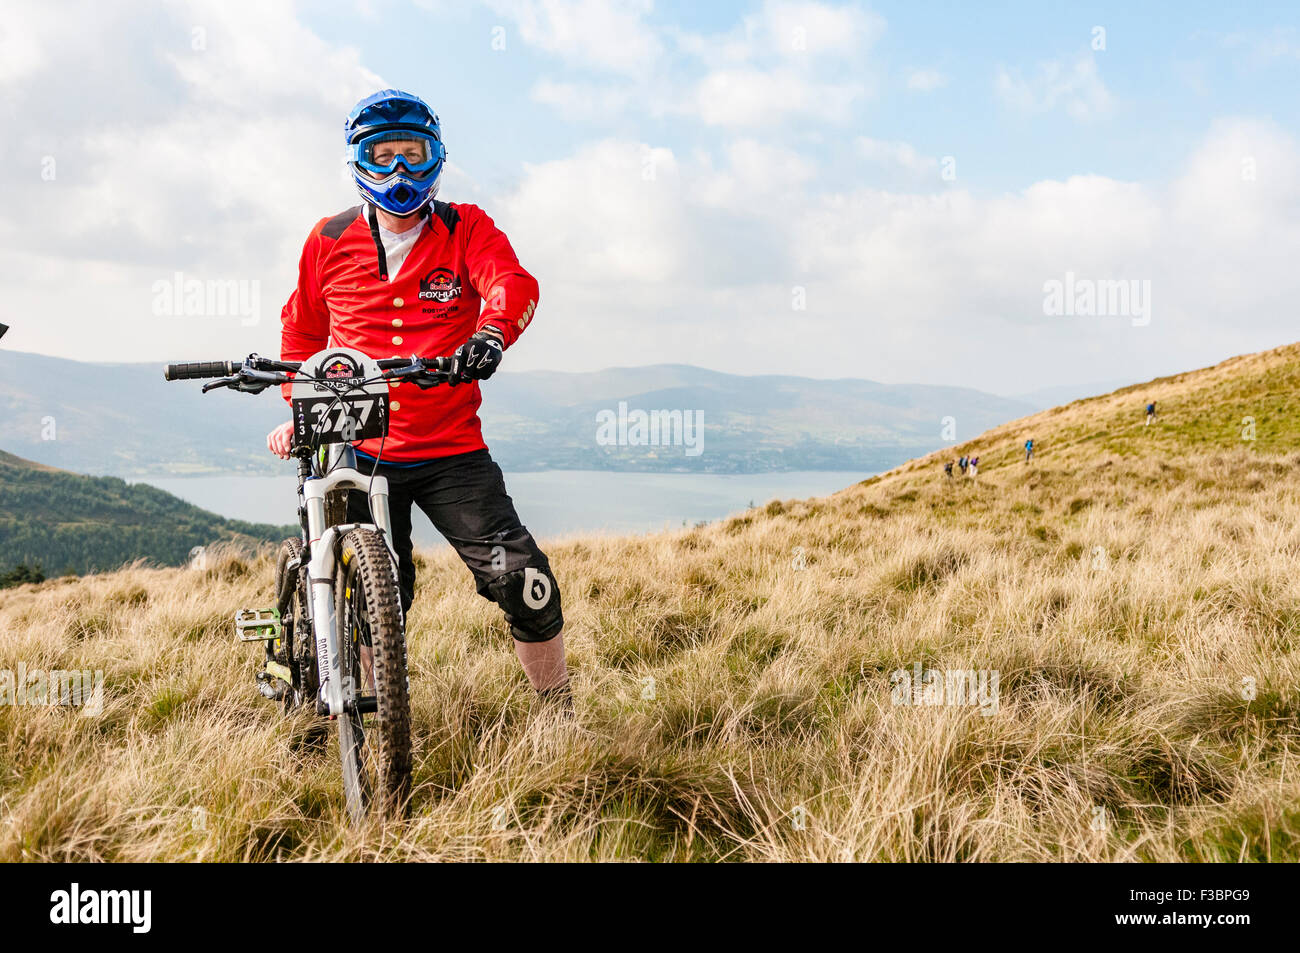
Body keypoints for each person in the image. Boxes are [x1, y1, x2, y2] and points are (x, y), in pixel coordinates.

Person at [265, 90, 568, 707]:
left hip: (451, 449)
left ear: (437, 157)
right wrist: (301, 408)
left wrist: (491, 334)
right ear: (359, 162)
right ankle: (375, 720)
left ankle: (559, 714)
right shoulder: (327, 239)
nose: (400, 169)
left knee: (524, 581)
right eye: (383, 155)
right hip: (355, 444)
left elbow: (511, 282)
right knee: (375, 596)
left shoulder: (467, 227)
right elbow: (302, 333)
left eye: (414, 153)